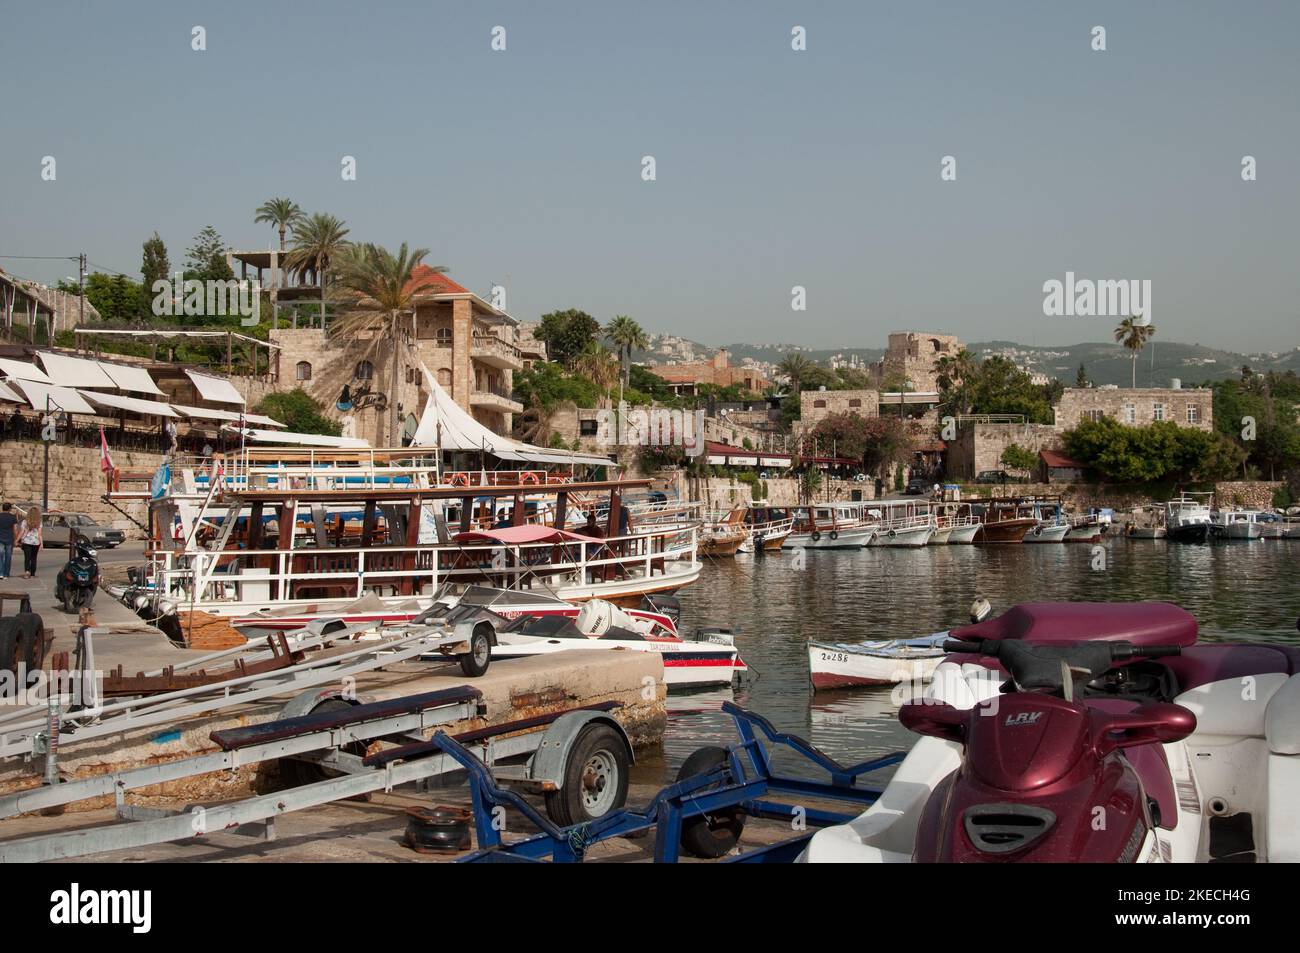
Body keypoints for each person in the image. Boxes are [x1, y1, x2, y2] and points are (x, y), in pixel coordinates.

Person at [18, 504, 43, 578]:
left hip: (26, 542)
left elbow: (22, 532)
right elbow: (39, 534)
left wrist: (19, 539)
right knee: (34, 558)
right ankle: (32, 574)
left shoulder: (25, 522)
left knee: (27, 558)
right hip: (36, 542)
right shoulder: (39, 522)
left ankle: (27, 572)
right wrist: (41, 543)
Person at [0, 502, 17, 579]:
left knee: (0, 556)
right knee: (8, 556)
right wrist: (16, 539)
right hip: (9, 538)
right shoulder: (13, 517)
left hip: (0, 538)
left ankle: (1, 573)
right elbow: (15, 529)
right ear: (10, 509)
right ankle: (6, 574)